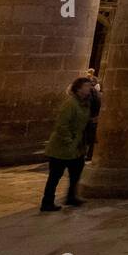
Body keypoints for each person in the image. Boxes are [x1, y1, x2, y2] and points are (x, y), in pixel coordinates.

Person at [41, 77, 93, 212]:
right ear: (79, 88)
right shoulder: (70, 104)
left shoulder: (85, 104)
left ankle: (71, 196)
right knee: (55, 176)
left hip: (77, 146)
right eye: (87, 86)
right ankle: (47, 202)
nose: (90, 88)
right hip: (62, 146)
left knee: (76, 174)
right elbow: (62, 125)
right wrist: (69, 140)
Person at [84, 72, 102, 162]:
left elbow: (89, 105)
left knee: (88, 137)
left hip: (91, 118)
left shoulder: (90, 92)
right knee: (91, 138)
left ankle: (86, 154)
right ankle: (89, 154)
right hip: (95, 117)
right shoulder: (97, 93)